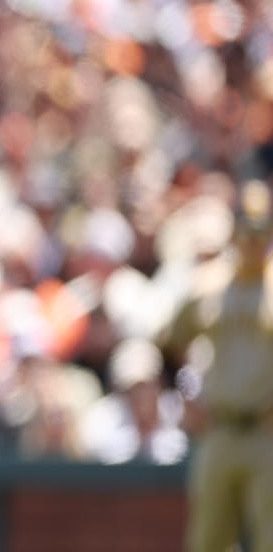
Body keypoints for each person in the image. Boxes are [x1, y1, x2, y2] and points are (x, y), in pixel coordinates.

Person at [159, 180, 273, 552]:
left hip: (267, 432)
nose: (253, 242)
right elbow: (168, 345)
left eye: (260, 233)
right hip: (219, 429)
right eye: (246, 232)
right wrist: (186, 396)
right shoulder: (208, 285)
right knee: (208, 540)